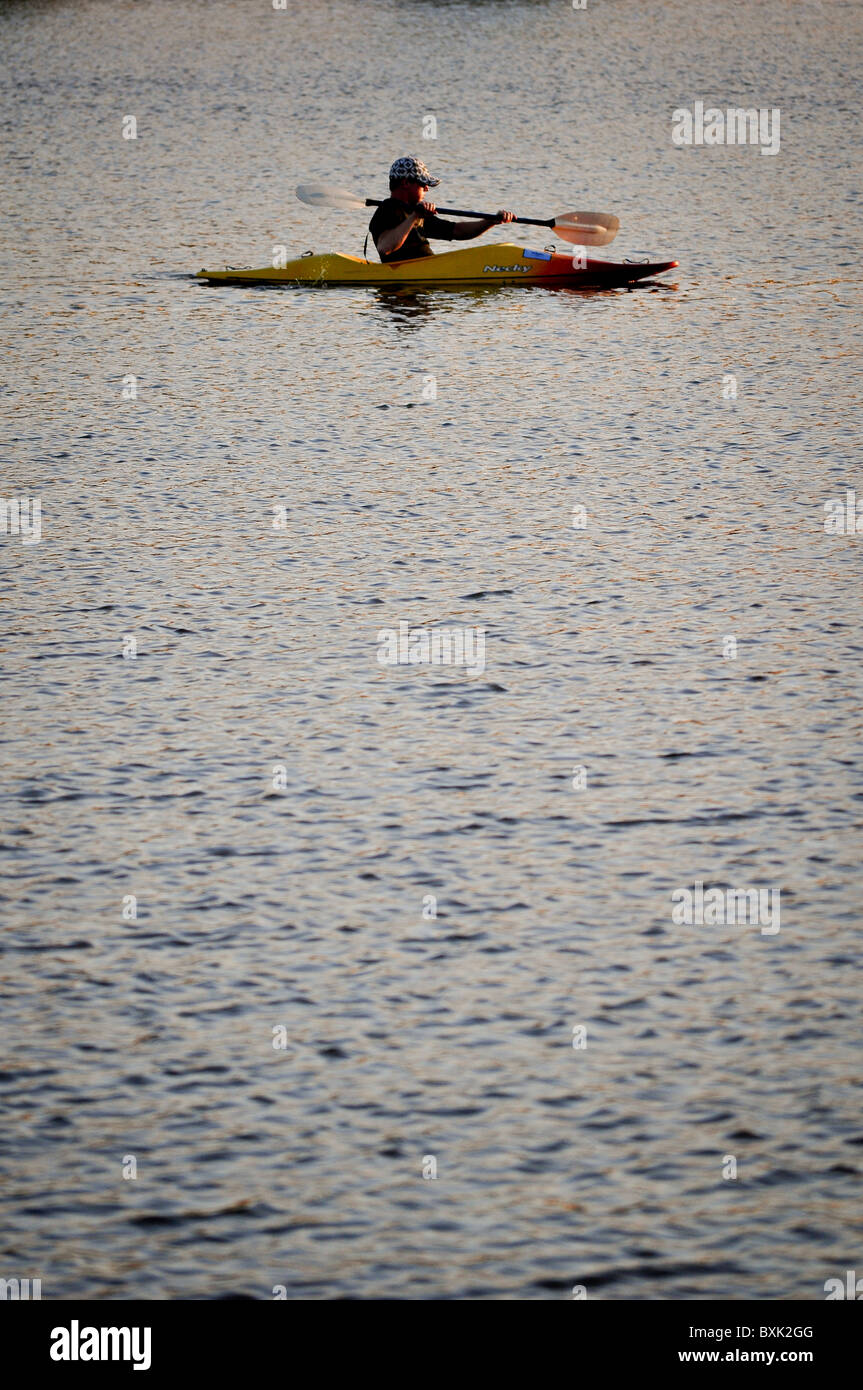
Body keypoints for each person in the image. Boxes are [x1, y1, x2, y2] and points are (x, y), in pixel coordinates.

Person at [369, 156, 515, 263]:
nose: (427, 188)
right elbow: (384, 247)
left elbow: (457, 231)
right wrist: (414, 217)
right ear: (406, 183)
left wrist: (490, 221)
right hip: (403, 279)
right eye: (422, 184)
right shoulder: (387, 209)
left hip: (426, 273)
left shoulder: (417, 211)